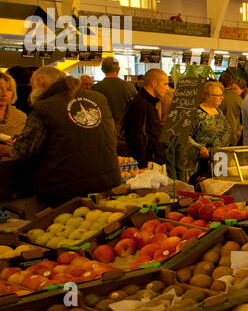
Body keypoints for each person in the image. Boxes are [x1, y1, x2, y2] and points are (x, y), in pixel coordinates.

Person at [10, 66, 121, 205]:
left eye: (32, 86)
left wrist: (11, 146)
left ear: (41, 81)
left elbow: (23, 151)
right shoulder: (99, 99)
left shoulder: (44, 108)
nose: (31, 91)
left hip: (64, 191)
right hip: (108, 183)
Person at [175, 81, 232, 184]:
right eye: (218, 95)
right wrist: (199, 148)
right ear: (207, 96)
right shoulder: (196, 113)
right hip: (202, 162)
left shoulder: (219, 111)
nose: (221, 98)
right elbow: (185, 136)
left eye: (221, 95)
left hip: (220, 159)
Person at [121, 68, 169, 169]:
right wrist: (143, 164)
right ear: (154, 83)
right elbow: (135, 136)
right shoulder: (140, 104)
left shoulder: (150, 103)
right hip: (149, 163)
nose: (167, 88)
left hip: (155, 160)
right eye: (165, 84)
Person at [93, 58, 136, 125]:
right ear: (118, 69)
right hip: (125, 127)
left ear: (102, 70)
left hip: (104, 127)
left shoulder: (94, 88)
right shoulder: (130, 87)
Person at [220, 74, 244, 143]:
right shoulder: (238, 99)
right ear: (231, 84)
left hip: (217, 136)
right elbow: (245, 118)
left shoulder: (214, 97)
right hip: (233, 135)